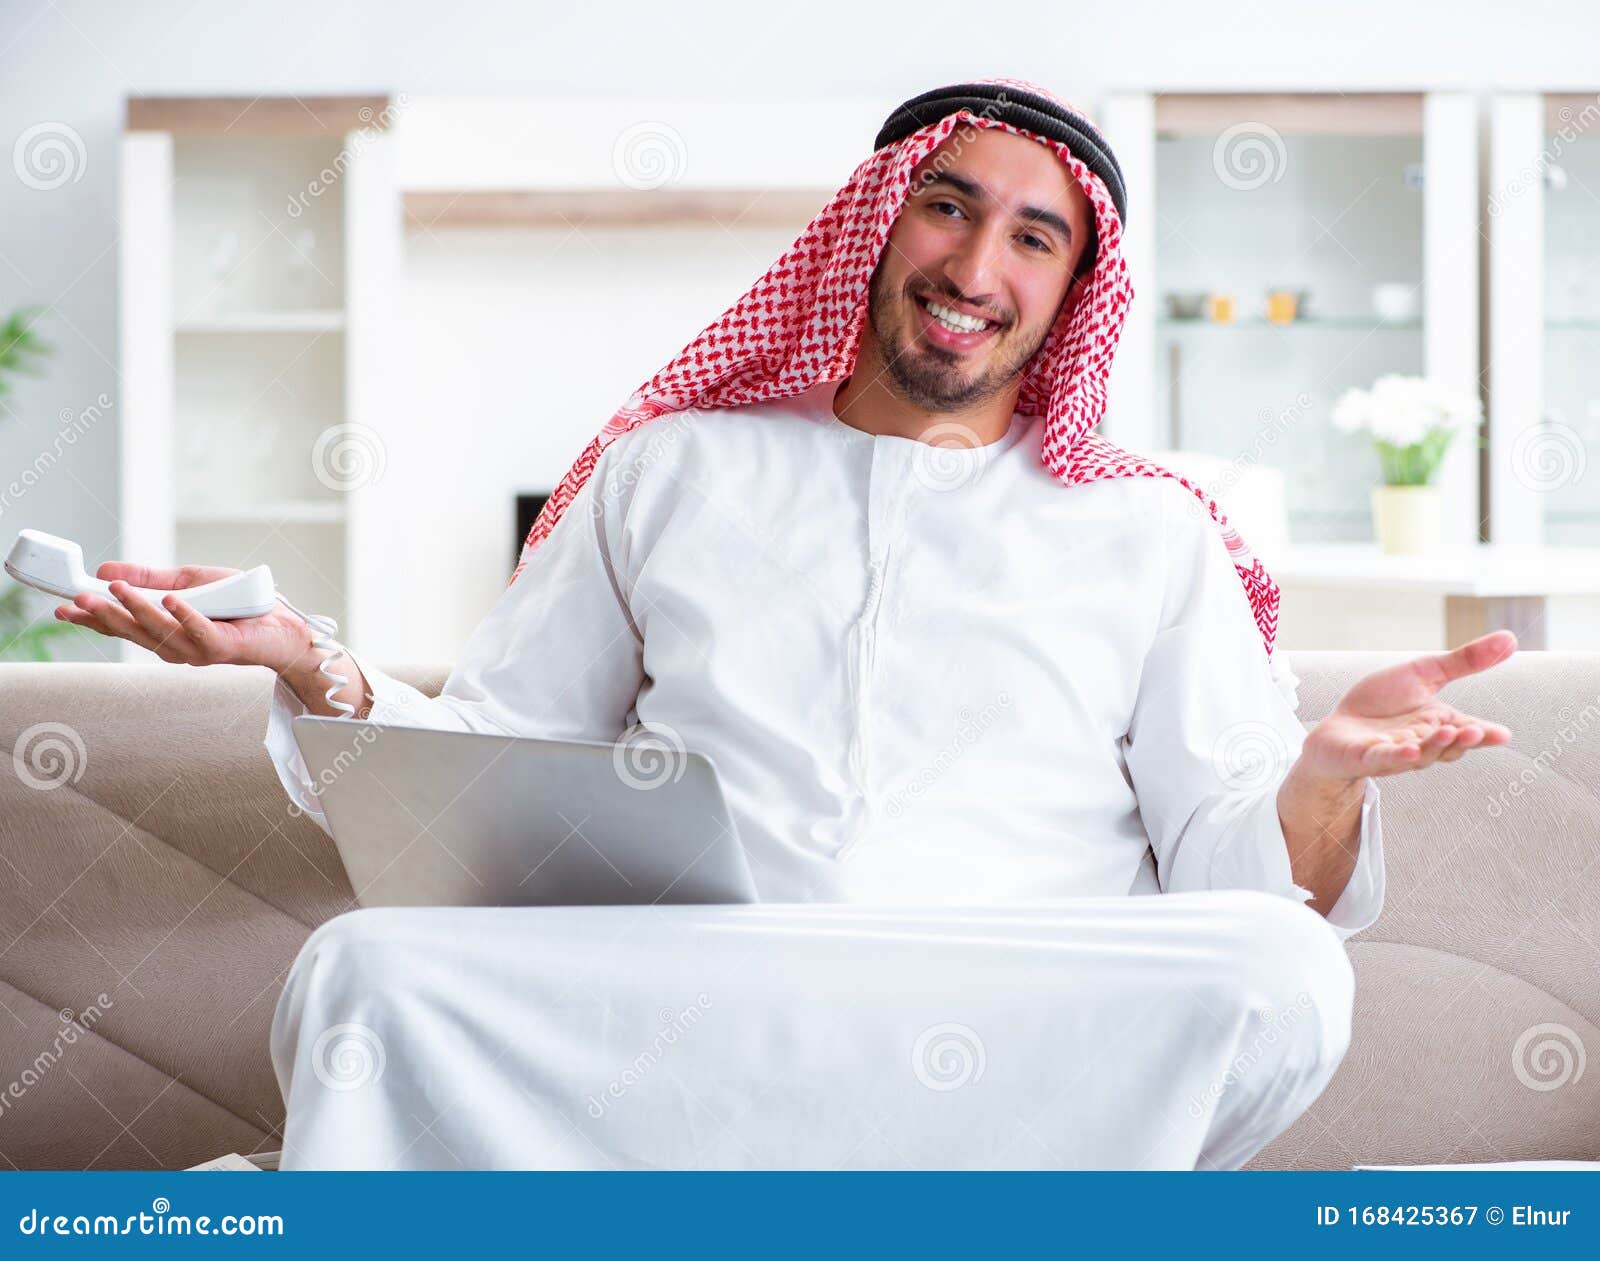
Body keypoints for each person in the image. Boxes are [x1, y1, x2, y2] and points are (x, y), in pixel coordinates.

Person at [55, 79, 1516, 1170]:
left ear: (1076, 292)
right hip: (706, 987)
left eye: (1035, 235)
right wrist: (318, 661)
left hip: (1018, 1003)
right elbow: (499, 765)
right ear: (876, 225)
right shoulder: (673, 468)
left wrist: (1321, 779)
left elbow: (1232, 873)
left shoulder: (1153, 528)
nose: (975, 267)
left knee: (1282, 968)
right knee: (366, 969)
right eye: (948, 205)